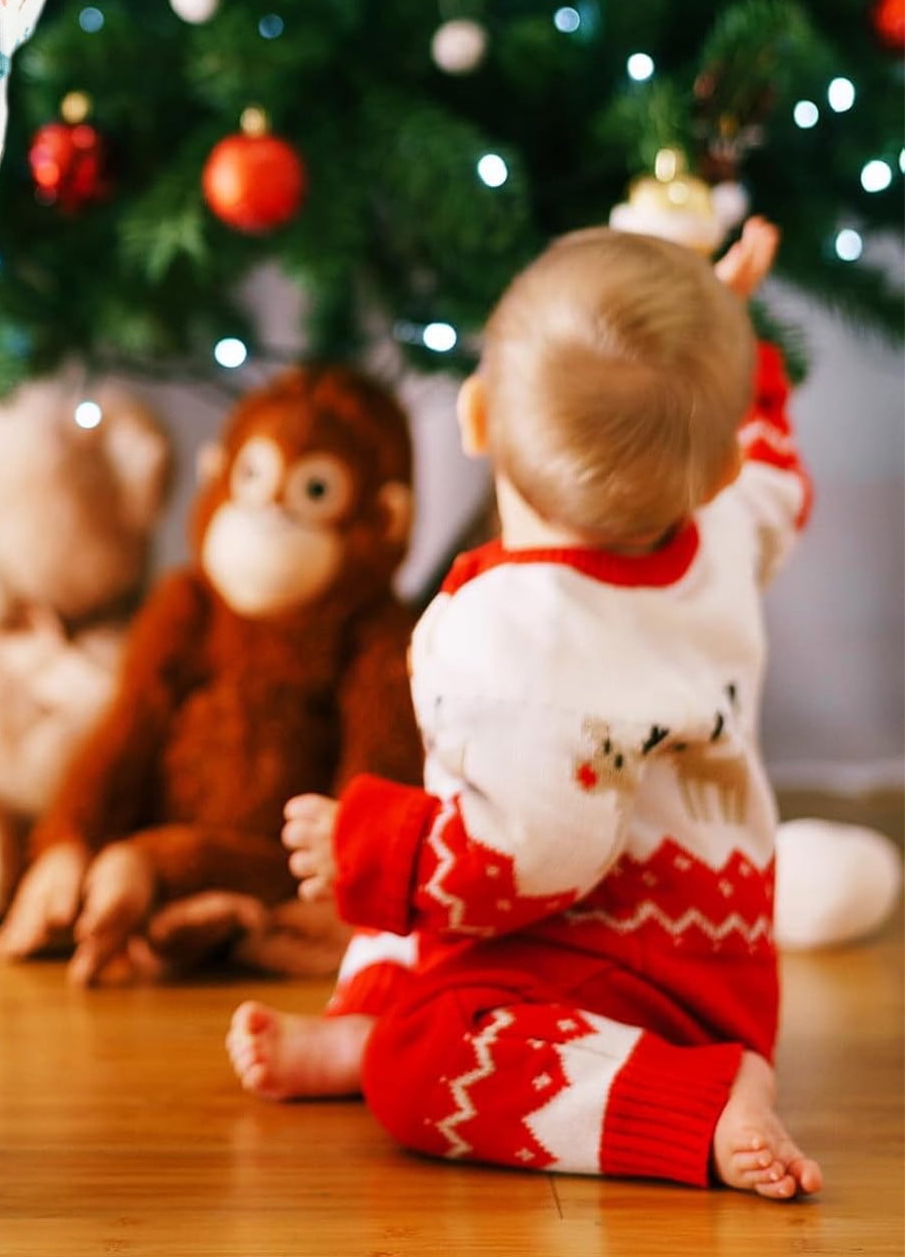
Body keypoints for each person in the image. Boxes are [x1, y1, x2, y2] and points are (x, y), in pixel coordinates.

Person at [227, 219, 823, 1201]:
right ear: (711, 471)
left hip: (616, 967)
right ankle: (360, 1022)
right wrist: (732, 333)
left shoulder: (515, 635)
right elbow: (771, 468)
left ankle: (698, 1096)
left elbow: (539, 855)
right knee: (403, 915)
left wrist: (379, 849)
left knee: (420, 1063)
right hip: (722, 954)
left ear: (474, 417)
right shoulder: (722, 520)